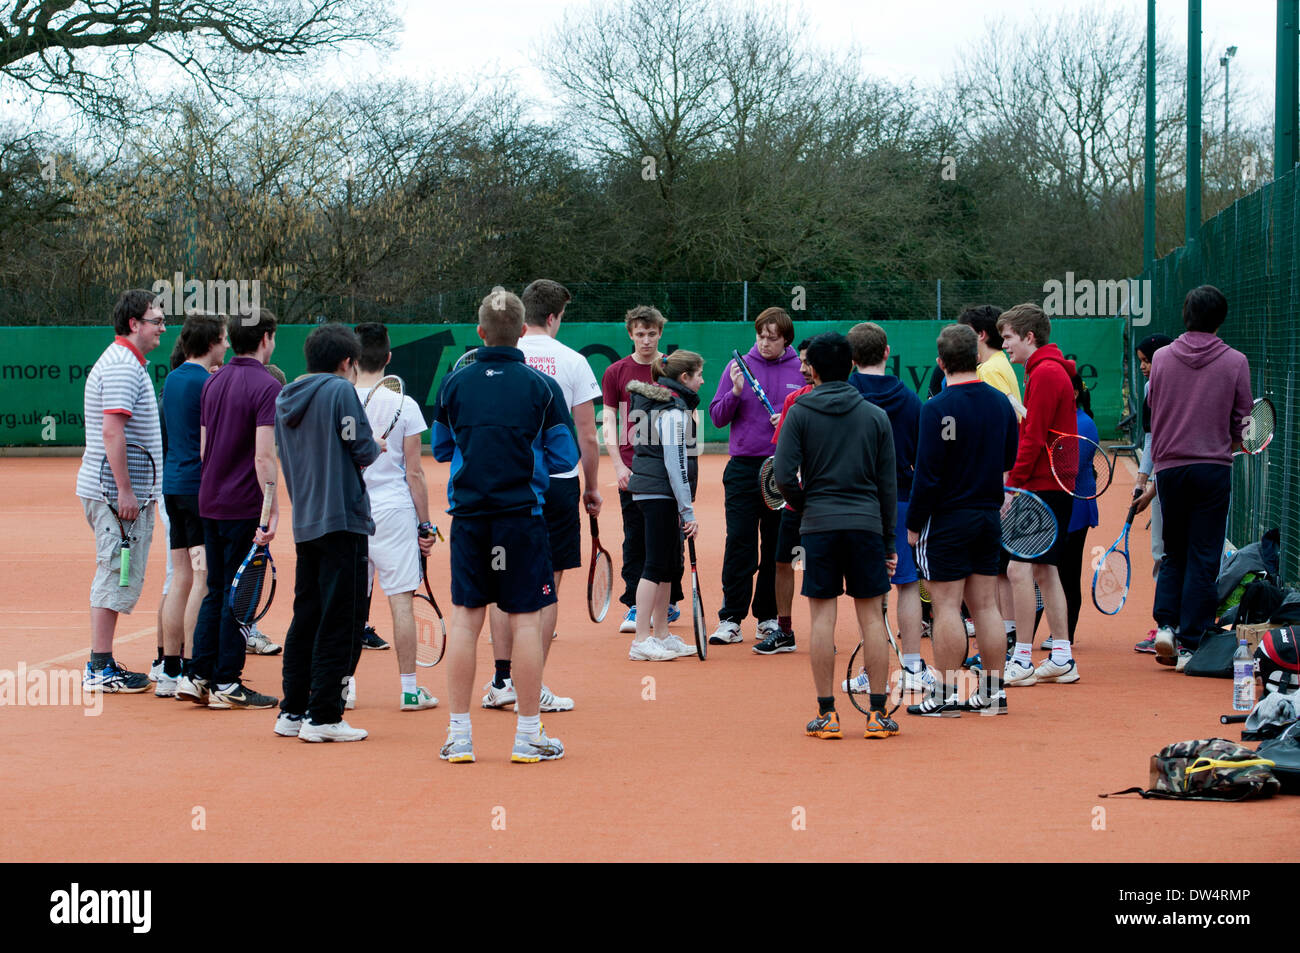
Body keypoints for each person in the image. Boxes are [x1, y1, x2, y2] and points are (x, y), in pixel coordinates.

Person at [432, 287, 579, 764]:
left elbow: (442, 448)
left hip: (471, 519)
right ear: (521, 331)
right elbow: (563, 457)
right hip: (522, 519)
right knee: (528, 624)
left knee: (465, 620)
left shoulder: (453, 384)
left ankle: (458, 737)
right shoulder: (542, 387)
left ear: (479, 333)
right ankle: (528, 736)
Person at [774, 332, 900, 740]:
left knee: (822, 617)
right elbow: (887, 487)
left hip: (819, 527)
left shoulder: (799, 412)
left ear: (812, 370)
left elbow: (781, 477)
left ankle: (827, 715)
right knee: (872, 618)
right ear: (850, 366)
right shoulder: (875, 416)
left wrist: (807, 502)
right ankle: (878, 715)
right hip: (865, 527)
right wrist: (888, 542)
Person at [484, 279, 602, 711]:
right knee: (546, 584)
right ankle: (531, 689)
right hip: (555, 483)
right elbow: (587, 436)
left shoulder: (492, 356)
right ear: (554, 317)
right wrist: (591, 488)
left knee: (501, 580)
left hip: (498, 484)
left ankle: (502, 682)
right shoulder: (572, 362)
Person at [274, 324, 382, 742]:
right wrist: (376, 447)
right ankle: (324, 716)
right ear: (346, 363)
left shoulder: (286, 396)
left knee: (308, 617)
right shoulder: (341, 392)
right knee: (342, 620)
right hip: (342, 520)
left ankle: (293, 710)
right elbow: (361, 447)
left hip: (308, 525)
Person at [906, 324, 1019, 715]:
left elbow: (928, 475)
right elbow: (1008, 460)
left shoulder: (935, 408)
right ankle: (992, 693)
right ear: (976, 356)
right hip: (988, 516)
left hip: (948, 519)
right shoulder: (1001, 404)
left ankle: (947, 694)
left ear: (940, 363)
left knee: (947, 607)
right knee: (986, 606)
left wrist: (914, 523)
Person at [1142, 286, 1252, 669]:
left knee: (1175, 550)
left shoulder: (1161, 358)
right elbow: (1243, 421)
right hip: (1213, 468)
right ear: (1220, 320)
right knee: (1205, 554)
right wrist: (1234, 440)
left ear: (1185, 315)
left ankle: (1167, 627)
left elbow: (1154, 410)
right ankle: (1191, 639)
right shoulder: (1236, 361)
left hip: (1170, 468)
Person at [177, 309, 281, 710]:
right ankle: (226, 683)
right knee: (239, 597)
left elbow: (205, 449)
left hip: (210, 501)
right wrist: (270, 509)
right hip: (243, 507)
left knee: (216, 589)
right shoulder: (266, 386)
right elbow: (263, 457)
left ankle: (199, 675)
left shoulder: (213, 381)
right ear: (266, 338)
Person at [77, 289, 167, 693]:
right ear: (134, 324)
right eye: (156, 320)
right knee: (114, 569)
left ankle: (103, 661)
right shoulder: (121, 367)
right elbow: (112, 430)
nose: (163, 327)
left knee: (118, 570)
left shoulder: (129, 364)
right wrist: (126, 492)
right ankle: (99, 666)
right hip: (116, 496)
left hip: (121, 494)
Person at [351, 322, 439, 712]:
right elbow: (414, 473)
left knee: (351, 604)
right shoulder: (406, 405)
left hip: (350, 512)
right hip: (393, 512)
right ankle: (408, 690)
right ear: (388, 357)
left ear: (352, 358)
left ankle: (342, 688)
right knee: (401, 600)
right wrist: (426, 524)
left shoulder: (339, 398)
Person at [844, 322, 933, 693]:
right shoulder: (912, 400)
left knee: (872, 588)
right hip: (903, 499)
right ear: (886, 352)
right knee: (908, 585)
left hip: (861, 502)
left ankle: (873, 671)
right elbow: (921, 453)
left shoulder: (845, 395)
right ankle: (911, 668)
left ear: (852, 359)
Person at [708, 307, 805, 644]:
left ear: (785, 340)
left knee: (776, 546)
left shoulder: (801, 369)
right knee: (739, 541)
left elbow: (811, 414)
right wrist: (734, 393)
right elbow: (717, 418)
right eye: (760, 335)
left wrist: (789, 421)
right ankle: (730, 618)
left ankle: (766, 617)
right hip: (743, 468)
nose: (764, 343)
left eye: (772, 338)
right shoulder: (738, 367)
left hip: (784, 469)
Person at [998, 304, 1079, 687]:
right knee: (1046, 571)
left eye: (1009, 337)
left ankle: (1023, 658)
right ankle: (1062, 656)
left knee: (1018, 570)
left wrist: (1012, 485)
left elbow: (1033, 438)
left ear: (1029, 337)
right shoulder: (1046, 370)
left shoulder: (1045, 373)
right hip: (1051, 485)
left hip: (1042, 487)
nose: (1004, 345)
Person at [156, 314, 228, 697]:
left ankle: (170, 668)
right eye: (224, 339)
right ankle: (193, 669)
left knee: (182, 576)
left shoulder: (172, 379)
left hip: (173, 489)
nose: (228, 345)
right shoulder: (209, 383)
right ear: (213, 341)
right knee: (201, 577)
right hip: (198, 491)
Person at [600, 305, 684, 632]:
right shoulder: (615, 372)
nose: (646, 340)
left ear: (660, 333)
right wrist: (619, 466)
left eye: (651, 334)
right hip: (633, 472)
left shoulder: (672, 369)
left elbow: (686, 422)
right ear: (630, 335)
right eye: (639, 334)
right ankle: (636, 605)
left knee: (670, 540)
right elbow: (608, 421)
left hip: (668, 472)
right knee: (635, 538)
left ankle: (668, 603)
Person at [626, 350, 705, 661]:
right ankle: (641, 640)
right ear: (684, 378)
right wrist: (688, 510)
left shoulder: (662, 402)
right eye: (698, 374)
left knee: (669, 566)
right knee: (655, 566)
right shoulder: (671, 408)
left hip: (657, 492)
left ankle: (661, 633)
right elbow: (676, 463)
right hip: (658, 493)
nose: (702, 380)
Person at [958, 304, 1024, 644]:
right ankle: (1007, 636)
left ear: (980, 335)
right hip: (998, 482)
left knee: (998, 570)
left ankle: (1008, 637)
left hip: (995, 485)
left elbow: (1010, 425)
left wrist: (1002, 484)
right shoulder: (996, 366)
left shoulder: (990, 372)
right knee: (998, 569)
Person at [754, 341, 813, 656]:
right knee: (783, 562)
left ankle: (822, 632)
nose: (802, 368)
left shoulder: (847, 399)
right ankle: (785, 631)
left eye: (808, 363)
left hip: (828, 502)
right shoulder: (794, 400)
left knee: (821, 566)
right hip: (796, 501)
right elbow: (784, 454)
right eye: (801, 361)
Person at [1130, 333, 1175, 653]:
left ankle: (1187, 625)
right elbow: (1151, 439)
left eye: (1148, 360)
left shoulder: (1180, 385)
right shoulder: (1149, 389)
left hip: (1178, 476)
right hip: (1164, 477)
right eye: (1141, 361)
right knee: (1161, 552)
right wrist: (1142, 479)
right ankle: (1165, 627)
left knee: (1187, 553)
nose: (1144, 367)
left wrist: (1154, 485)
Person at [1052, 373, 1099, 647]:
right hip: (1062, 507)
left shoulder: (1085, 424)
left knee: (1068, 573)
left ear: (1073, 394)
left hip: (1077, 508)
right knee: (1052, 573)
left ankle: (1065, 637)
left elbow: (1070, 468)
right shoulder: (1065, 421)